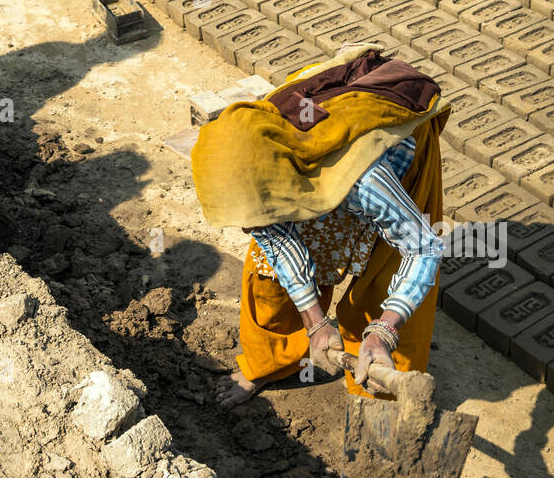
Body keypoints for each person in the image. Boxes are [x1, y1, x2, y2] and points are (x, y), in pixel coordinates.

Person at [190, 45, 450, 407]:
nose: (250, 229)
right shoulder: (252, 152)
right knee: (266, 270)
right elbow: (277, 242)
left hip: (387, 142)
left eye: (256, 219)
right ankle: (271, 360)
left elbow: (425, 247)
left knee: (380, 277)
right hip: (320, 138)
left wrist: (386, 328)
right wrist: (315, 322)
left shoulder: (367, 179)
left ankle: (379, 385)